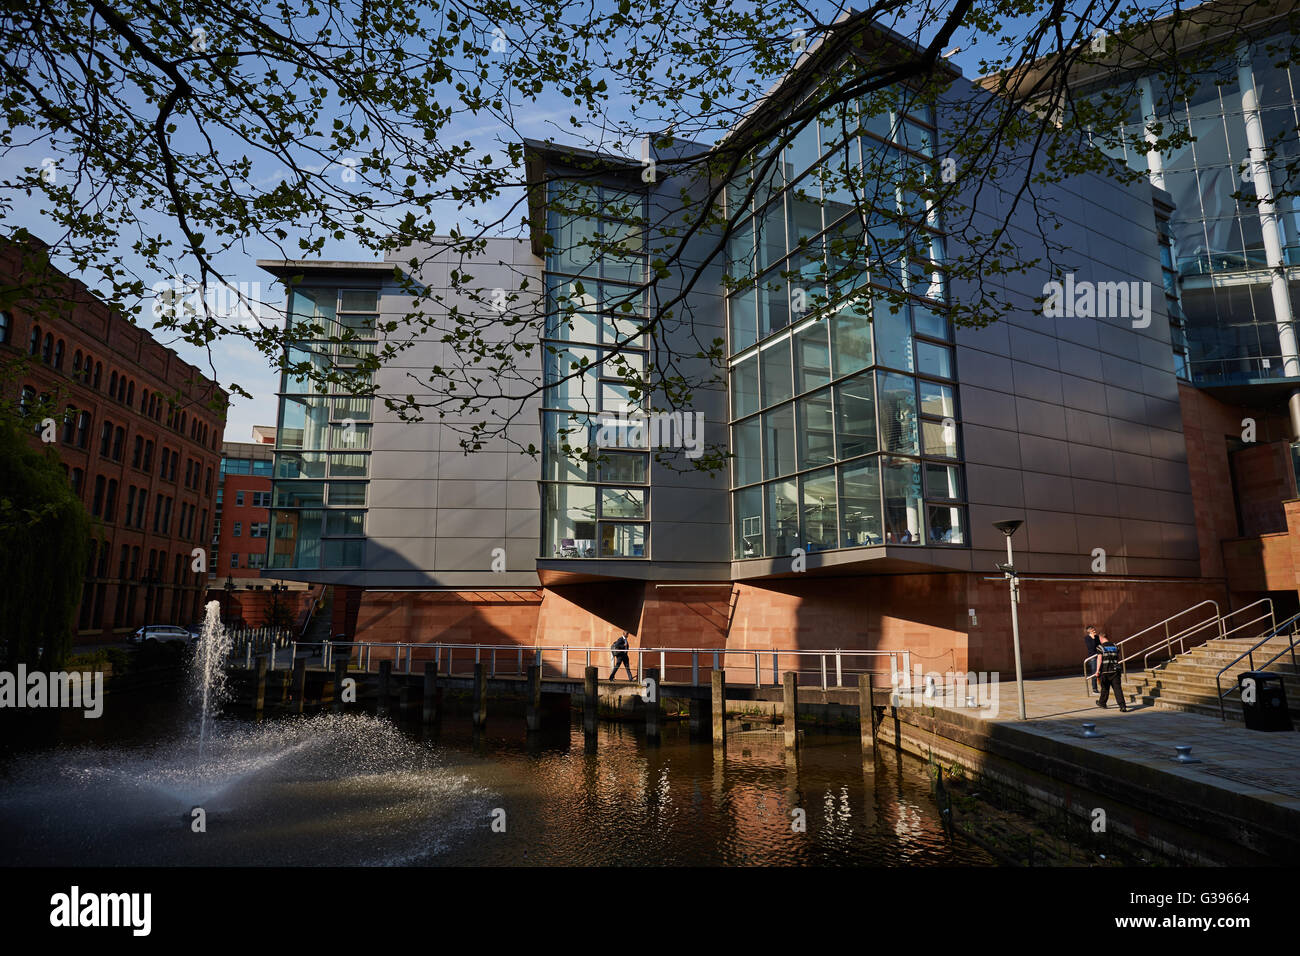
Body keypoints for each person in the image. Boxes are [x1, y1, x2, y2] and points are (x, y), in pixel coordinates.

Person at [1094, 633, 1128, 712]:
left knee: (1105, 688)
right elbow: (1117, 657)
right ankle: (1122, 706)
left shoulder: (1100, 647)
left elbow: (1099, 659)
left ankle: (1102, 703)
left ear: (1101, 638)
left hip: (1105, 671)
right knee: (1117, 689)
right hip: (1116, 670)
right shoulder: (1115, 646)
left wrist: (1097, 671)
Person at [1084, 624, 1102, 694]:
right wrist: (1093, 638)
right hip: (1093, 657)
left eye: (1094, 629)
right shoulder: (1087, 638)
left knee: (1101, 671)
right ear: (1089, 631)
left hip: (1099, 656)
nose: (1094, 631)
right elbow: (1091, 647)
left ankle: (1103, 687)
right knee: (1095, 672)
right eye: (1092, 630)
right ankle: (1095, 689)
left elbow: (1099, 646)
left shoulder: (1097, 637)